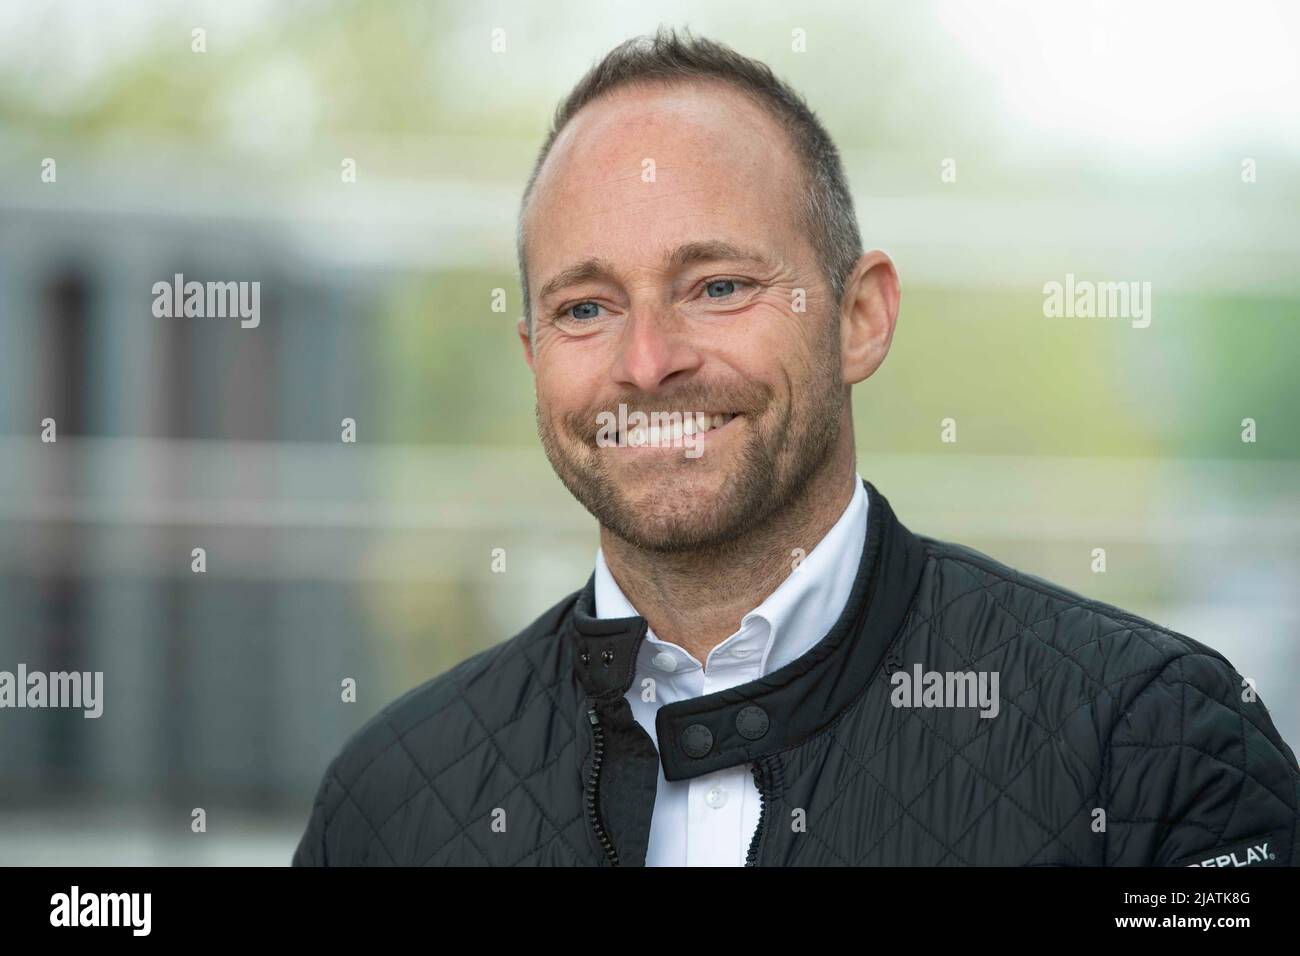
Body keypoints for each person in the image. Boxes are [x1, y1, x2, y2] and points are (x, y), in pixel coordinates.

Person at [293, 28, 1298, 867]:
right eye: (586, 306)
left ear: (859, 317)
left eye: (718, 286)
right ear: (533, 354)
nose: (646, 362)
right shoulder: (389, 804)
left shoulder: (1149, 746)